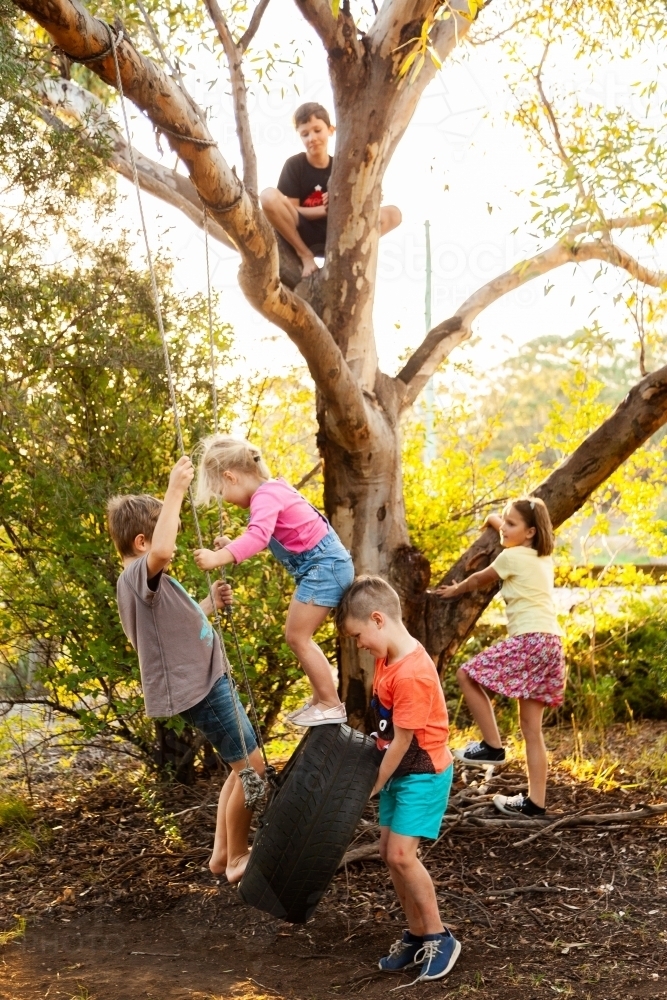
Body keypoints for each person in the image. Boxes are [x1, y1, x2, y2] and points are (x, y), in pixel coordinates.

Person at [107, 456, 265, 884]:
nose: (171, 537)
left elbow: (178, 624)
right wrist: (175, 489)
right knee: (253, 771)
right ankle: (237, 857)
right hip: (200, 689)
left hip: (208, 680)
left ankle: (221, 855)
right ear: (142, 542)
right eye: (165, 527)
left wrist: (210, 604)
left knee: (241, 768)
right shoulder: (139, 574)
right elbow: (163, 548)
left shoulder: (149, 585)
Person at [336, 576, 461, 983]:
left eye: (358, 636)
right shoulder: (387, 659)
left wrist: (370, 786)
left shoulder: (413, 674)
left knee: (403, 855)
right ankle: (415, 934)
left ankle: (440, 937)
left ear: (377, 620)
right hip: (401, 773)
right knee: (390, 853)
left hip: (423, 775)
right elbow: (388, 734)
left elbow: (403, 743)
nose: (359, 645)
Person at [193, 435, 354, 727]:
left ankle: (330, 703)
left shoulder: (265, 496)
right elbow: (275, 536)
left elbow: (257, 537)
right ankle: (322, 699)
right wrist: (233, 544)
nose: (223, 500)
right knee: (297, 636)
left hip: (325, 567)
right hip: (323, 566)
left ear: (230, 477)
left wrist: (221, 557)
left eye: (220, 491)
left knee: (297, 637)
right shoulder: (273, 489)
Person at [437, 497, 564, 819]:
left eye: (512, 525)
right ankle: (536, 804)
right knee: (531, 730)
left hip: (530, 639)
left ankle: (492, 746)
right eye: (504, 523)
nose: (503, 529)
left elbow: (481, 578)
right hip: (551, 644)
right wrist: (497, 519)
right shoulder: (542, 556)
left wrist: (455, 589)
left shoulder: (511, 556)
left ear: (530, 531)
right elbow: (508, 526)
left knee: (466, 675)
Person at [260, 101, 402, 278]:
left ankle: (351, 253)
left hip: (339, 231)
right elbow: (291, 210)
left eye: (317, 130)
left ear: (331, 130)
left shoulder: (342, 166)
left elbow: (355, 202)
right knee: (267, 196)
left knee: (394, 214)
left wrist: (367, 198)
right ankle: (305, 255)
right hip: (303, 231)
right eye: (305, 134)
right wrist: (324, 210)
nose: (311, 138)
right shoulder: (295, 165)